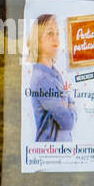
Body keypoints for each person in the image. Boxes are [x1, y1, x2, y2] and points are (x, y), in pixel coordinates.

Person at [24, 14, 75, 142]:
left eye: (57, 33)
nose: (56, 39)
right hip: (49, 152)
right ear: (38, 40)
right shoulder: (43, 79)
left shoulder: (55, 74)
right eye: (50, 33)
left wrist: (68, 104)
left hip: (60, 152)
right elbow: (68, 122)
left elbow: (69, 103)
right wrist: (70, 105)